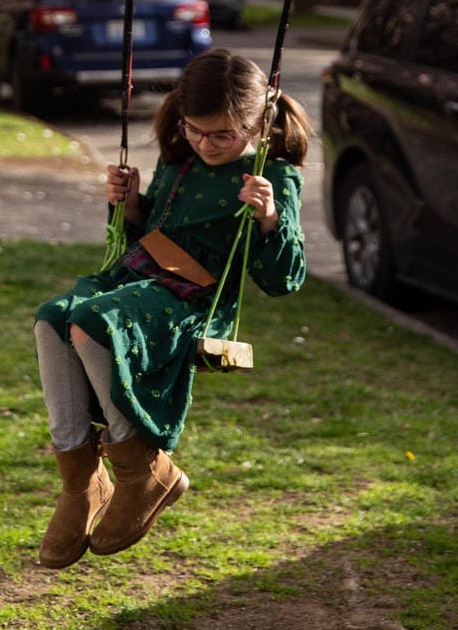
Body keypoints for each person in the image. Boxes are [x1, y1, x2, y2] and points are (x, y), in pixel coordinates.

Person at [30, 48, 310, 568]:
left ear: (260, 123)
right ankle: (80, 481)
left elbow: (283, 281)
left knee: (93, 322)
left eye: (222, 135)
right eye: (195, 131)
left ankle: (142, 469)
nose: (205, 145)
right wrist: (130, 204)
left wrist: (270, 219)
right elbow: (147, 235)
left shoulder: (274, 177)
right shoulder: (179, 160)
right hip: (138, 280)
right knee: (53, 317)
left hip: (195, 301)